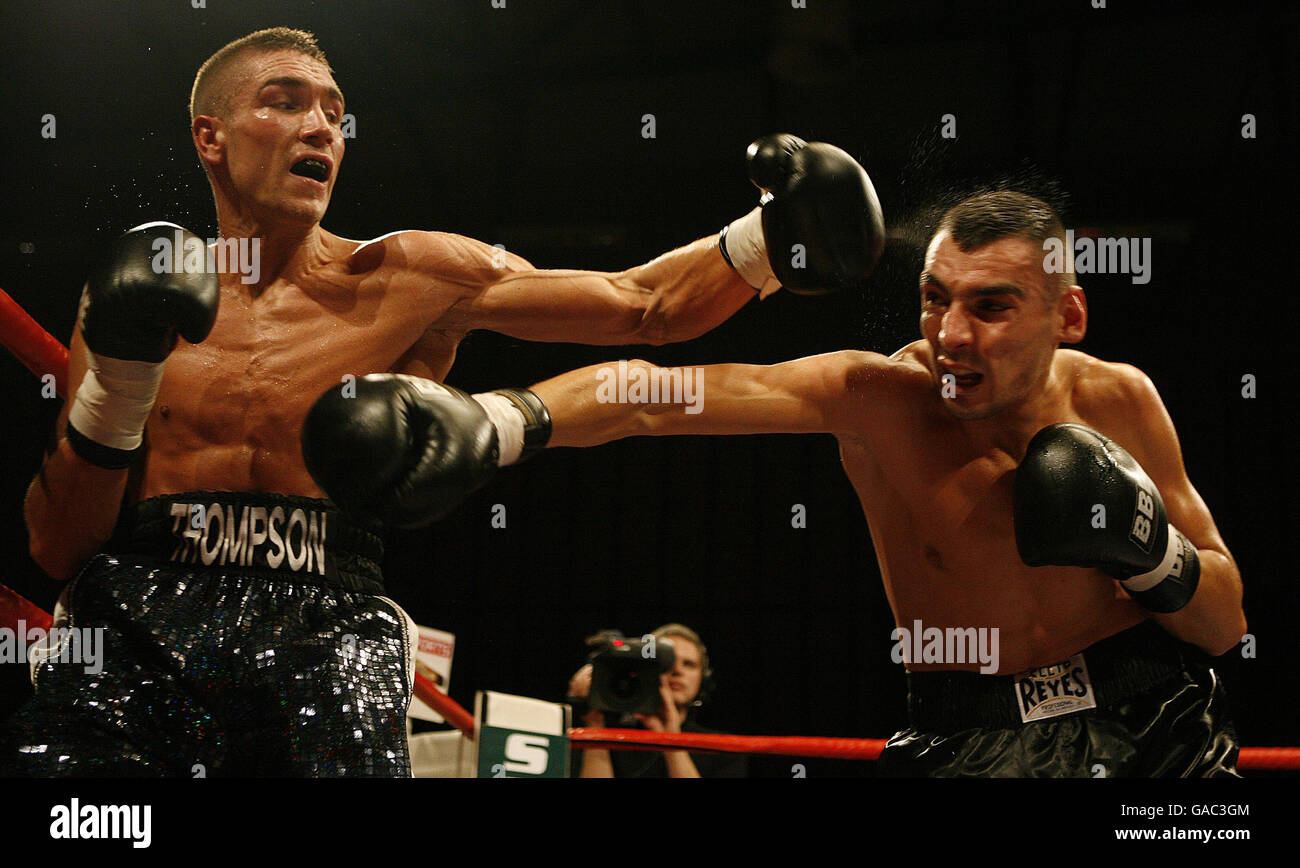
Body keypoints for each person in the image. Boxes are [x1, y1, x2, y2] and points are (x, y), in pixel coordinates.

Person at [2, 27, 880, 777]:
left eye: (334, 112)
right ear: (211, 135)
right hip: (141, 613)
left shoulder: (411, 274)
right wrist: (117, 388)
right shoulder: (136, 293)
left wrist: (766, 243)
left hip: (326, 624)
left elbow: (641, 304)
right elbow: (57, 540)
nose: (321, 126)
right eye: (285, 101)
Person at [319, 191, 1246, 776]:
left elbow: (1225, 624)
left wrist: (1154, 555)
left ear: (1067, 314)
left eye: (991, 306)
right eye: (935, 297)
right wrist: (500, 422)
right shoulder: (879, 397)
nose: (951, 334)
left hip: (1156, 722)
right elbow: (661, 397)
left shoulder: (1122, 400)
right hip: (974, 740)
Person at [566, 624, 747, 778]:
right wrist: (594, 725)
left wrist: (670, 736)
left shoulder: (723, 749)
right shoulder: (598, 735)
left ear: (704, 679)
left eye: (689, 664)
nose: (677, 670)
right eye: (668, 662)